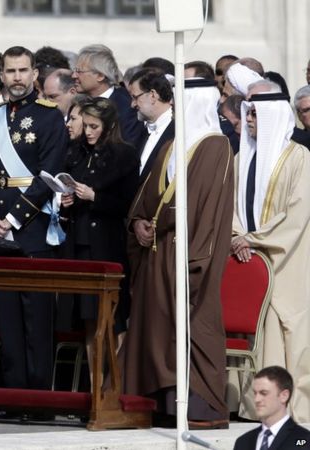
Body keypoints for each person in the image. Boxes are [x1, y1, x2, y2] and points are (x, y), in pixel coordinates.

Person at [123, 77, 233, 427]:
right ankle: (159, 402)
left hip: (188, 253)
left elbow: (208, 210)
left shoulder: (215, 146)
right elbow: (148, 197)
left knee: (189, 326)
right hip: (157, 253)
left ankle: (199, 407)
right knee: (156, 330)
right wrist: (138, 222)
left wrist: (194, 262)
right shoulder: (173, 145)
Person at [0, 46, 68, 390]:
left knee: (37, 320)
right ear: (1, 75)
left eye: (23, 71)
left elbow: (49, 176)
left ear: (34, 74)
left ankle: (38, 397)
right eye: (10, 71)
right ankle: (12, 393)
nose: (16, 78)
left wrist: (11, 221)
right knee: (8, 319)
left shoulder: (49, 116)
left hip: (32, 229)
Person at [231, 86, 310, 423]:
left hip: (286, 256)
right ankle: (252, 404)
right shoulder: (241, 157)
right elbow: (231, 206)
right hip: (247, 256)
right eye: (247, 113)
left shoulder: (300, 158)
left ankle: (291, 406)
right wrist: (237, 237)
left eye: (254, 114)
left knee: (286, 329)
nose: (248, 120)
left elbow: (298, 211)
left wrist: (254, 239)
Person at [60, 97, 137, 369]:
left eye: (95, 126)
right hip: (80, 241)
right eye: (87, 125)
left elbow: (128, 203)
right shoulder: (76, 151)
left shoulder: (123, 155)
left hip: (107, 243)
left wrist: (95, 196)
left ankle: (113, 384)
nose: (89, 132)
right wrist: (66, 202)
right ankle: (94, 386)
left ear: (108, 126)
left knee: (112, 317)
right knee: (89, 316)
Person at [72, 44, 146, 145]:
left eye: (79, 71)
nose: (74, 76)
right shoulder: (78, 103)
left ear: (100, 75)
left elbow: (127, 149)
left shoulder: (125, 108)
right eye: (74, 71)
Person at [233, 366, 310, 450]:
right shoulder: (242, 442)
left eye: (264, 393)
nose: (256, 399)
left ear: (284, 396)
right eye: (255, 393)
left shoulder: (304, 440)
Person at [127, 69, 174, 185]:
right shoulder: (139, 129)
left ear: (153, 95)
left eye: (135, 97)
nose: (132, 104)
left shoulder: (178, 131)